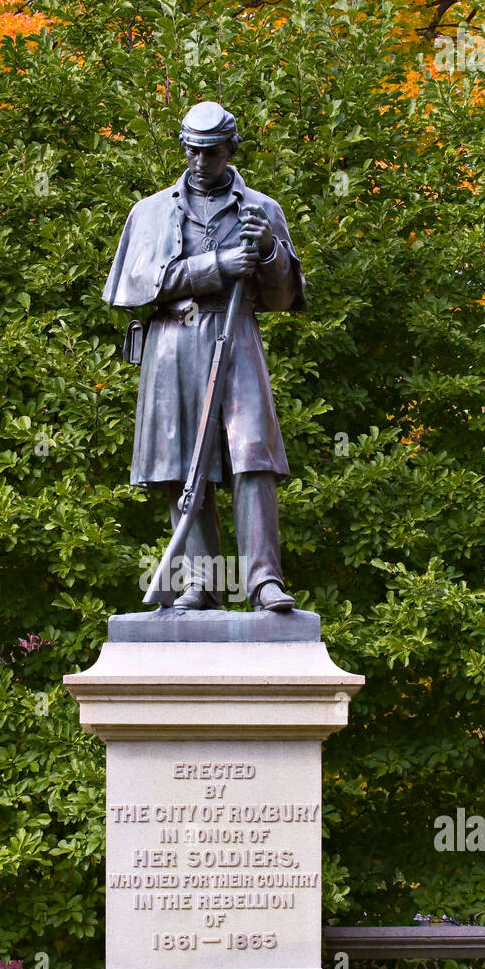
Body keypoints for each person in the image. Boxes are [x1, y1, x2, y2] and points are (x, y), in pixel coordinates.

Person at [102, 101, 306, 610]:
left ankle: (263, 581)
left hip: (237, 336)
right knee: (179, 465)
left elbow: (284, 301)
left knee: (252, 455)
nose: (199, 162)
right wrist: (218, 264)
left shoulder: (262, 210)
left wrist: (268, 255)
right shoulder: (150, 212)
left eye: (210, 153)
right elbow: (139, 285)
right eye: (191, 151)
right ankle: (201, 581)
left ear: (230, 150)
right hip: (173, 341)